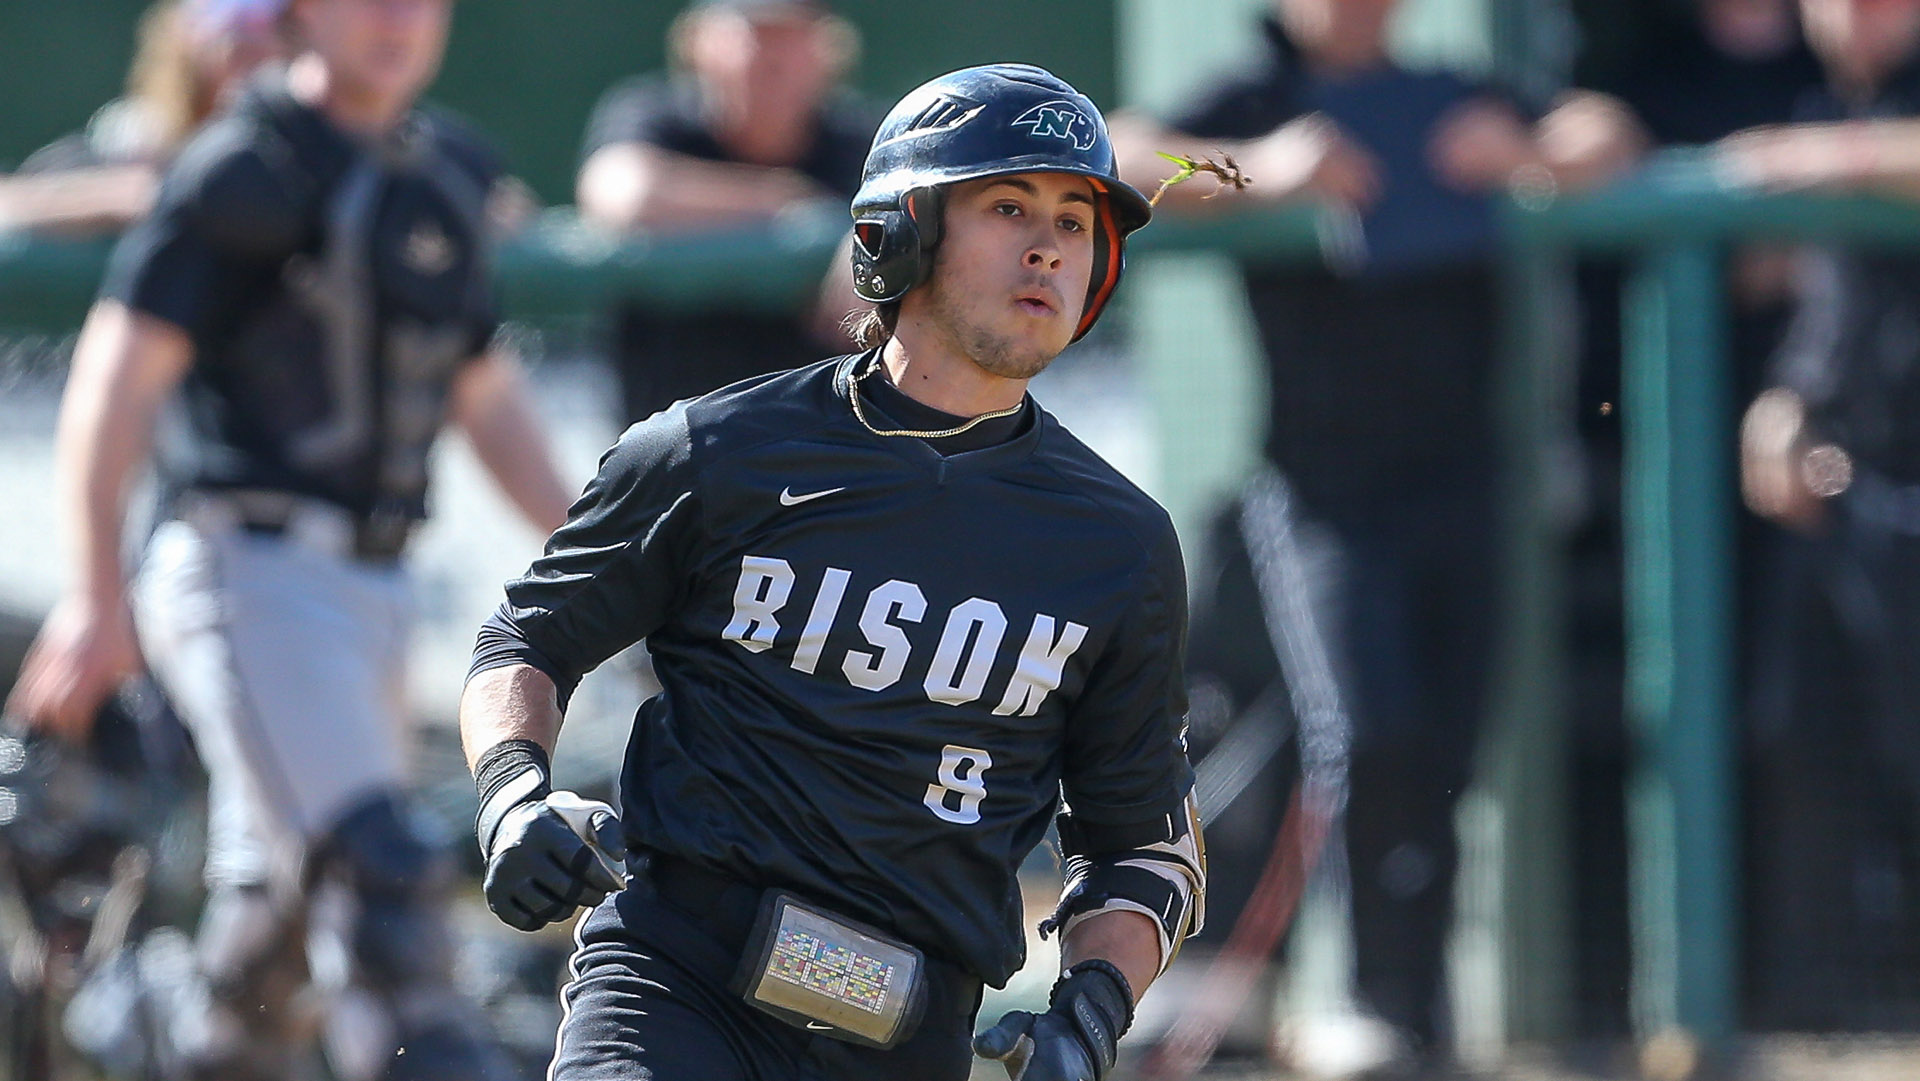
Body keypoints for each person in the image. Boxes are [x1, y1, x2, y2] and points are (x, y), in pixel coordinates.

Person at [462, 63, 1207, 1081]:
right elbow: (525, 639)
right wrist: (513, 792)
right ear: (897, 232)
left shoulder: (1119, 544)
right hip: (676, 984)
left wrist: (1092, 1007)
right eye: (1005, 204)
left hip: (909, 1033)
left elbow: (1142, 847)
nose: (1047, 244)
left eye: (1076, 222)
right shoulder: (713, 451)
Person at [3, 0, 574, 1078]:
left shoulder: (443, 171)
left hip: (376, 587)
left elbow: (486, 397)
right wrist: (92, 594)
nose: (397, 18)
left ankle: (154, 1033)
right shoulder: (243, 164)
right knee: (382, 896)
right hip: (246, 570)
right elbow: (111, 385)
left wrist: (610, 551)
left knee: (271, 947)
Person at [1109, 0, 1640, 1070]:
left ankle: (1411, 1010)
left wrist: (1527, 151)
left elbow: (1612, 135)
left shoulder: (1449, 92)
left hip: (1465, 475)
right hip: (1320, 489)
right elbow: (1123, 159)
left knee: (1446, 747)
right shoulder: (1251, 99)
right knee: (1367, 726)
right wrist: (1261, 169)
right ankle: (1349, 996)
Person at [1720, 0, 1920, 1029]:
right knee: (1804, 734)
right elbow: (1821, 297)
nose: (1861, 14)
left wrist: (1819, 156)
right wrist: (1787, 397)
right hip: (1849, 486)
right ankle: (1832, 1007)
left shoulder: (1842, 129)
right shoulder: (1831, 102)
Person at [575, 0, 877, 424]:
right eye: (754, 34)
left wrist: (867, 235)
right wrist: (784, 200)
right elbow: (623, 195)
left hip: (820, 440)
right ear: (701, 43)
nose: (772, 58)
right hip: (674, 439)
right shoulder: (657, 116)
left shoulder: (861, 141)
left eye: (793, 37)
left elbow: (923, 211)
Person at [0, 0, 288, 235]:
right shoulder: (138, 133)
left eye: (270, 41)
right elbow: (13, 200)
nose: (252, 71)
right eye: (240, 51)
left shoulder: (302, 141)